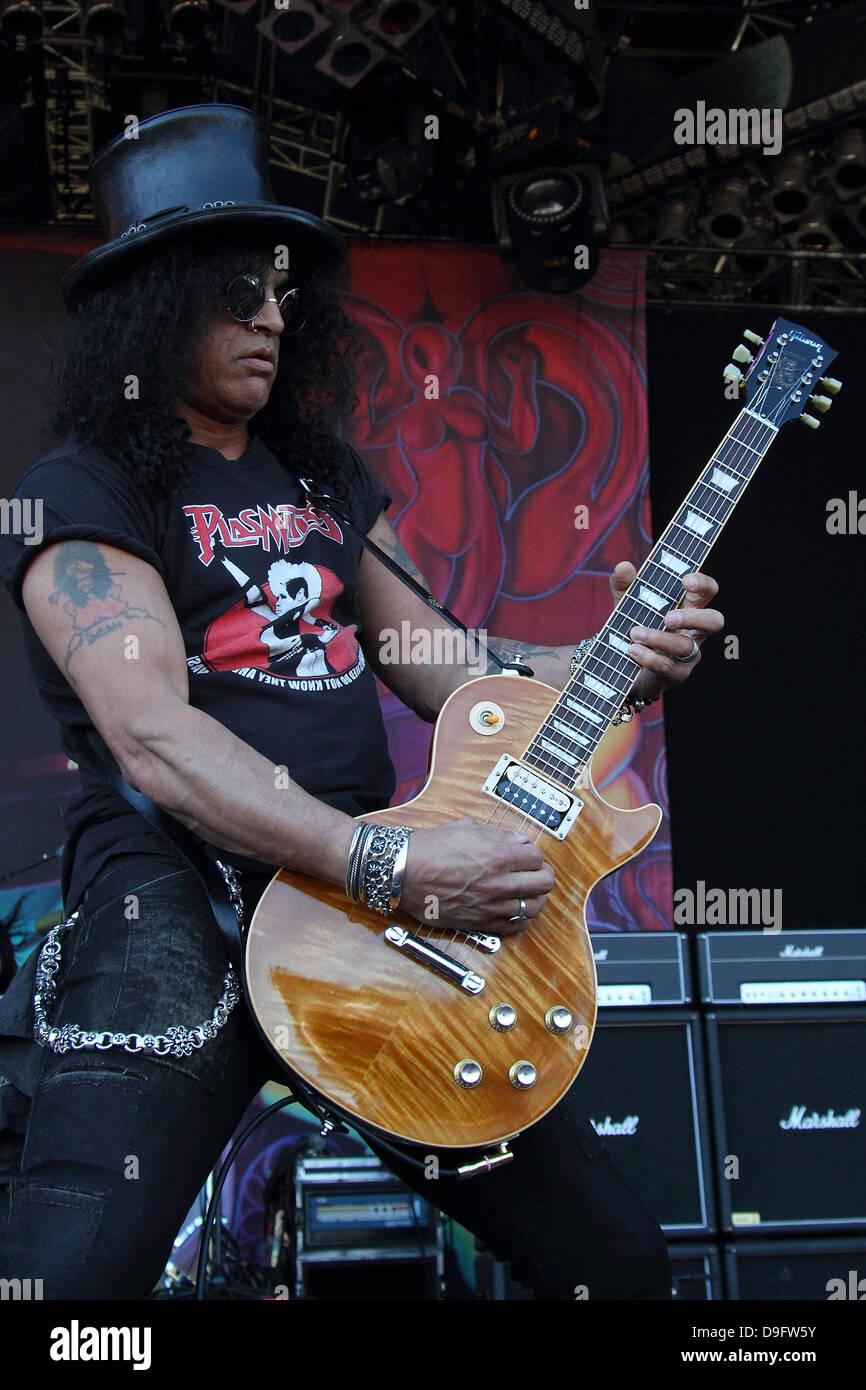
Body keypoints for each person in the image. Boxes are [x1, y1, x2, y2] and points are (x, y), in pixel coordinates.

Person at [0, 104, 722, 1300]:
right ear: (156, 305)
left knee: (612, 1262)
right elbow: (154, 737)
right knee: (72, 1287)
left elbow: (451, 668)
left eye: (282, 295)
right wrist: (389, 862)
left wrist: (615, 655)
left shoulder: (321, 479)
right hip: (176, 900)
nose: (272, 318)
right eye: (238, 294)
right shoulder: (82, 490)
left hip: (359, 917)